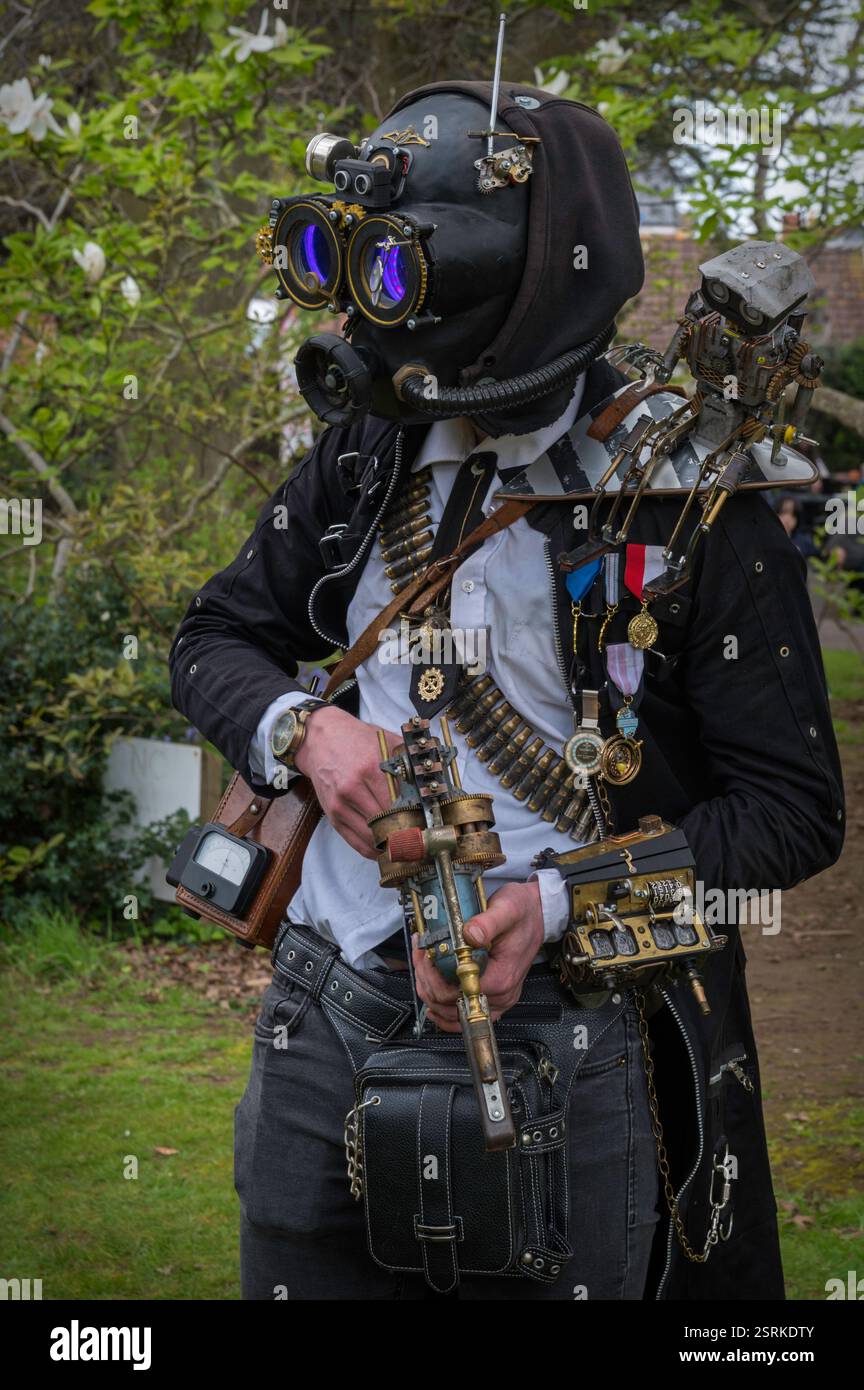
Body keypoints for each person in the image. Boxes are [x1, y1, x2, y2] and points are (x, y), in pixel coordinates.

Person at [168, 79, 844, 1301]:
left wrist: (560, 902)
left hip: (579, 1034)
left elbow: (792, 812)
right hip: (326, 1000)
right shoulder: (368, 446)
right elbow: (216, 635)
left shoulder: (698, 499)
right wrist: (303, 731)